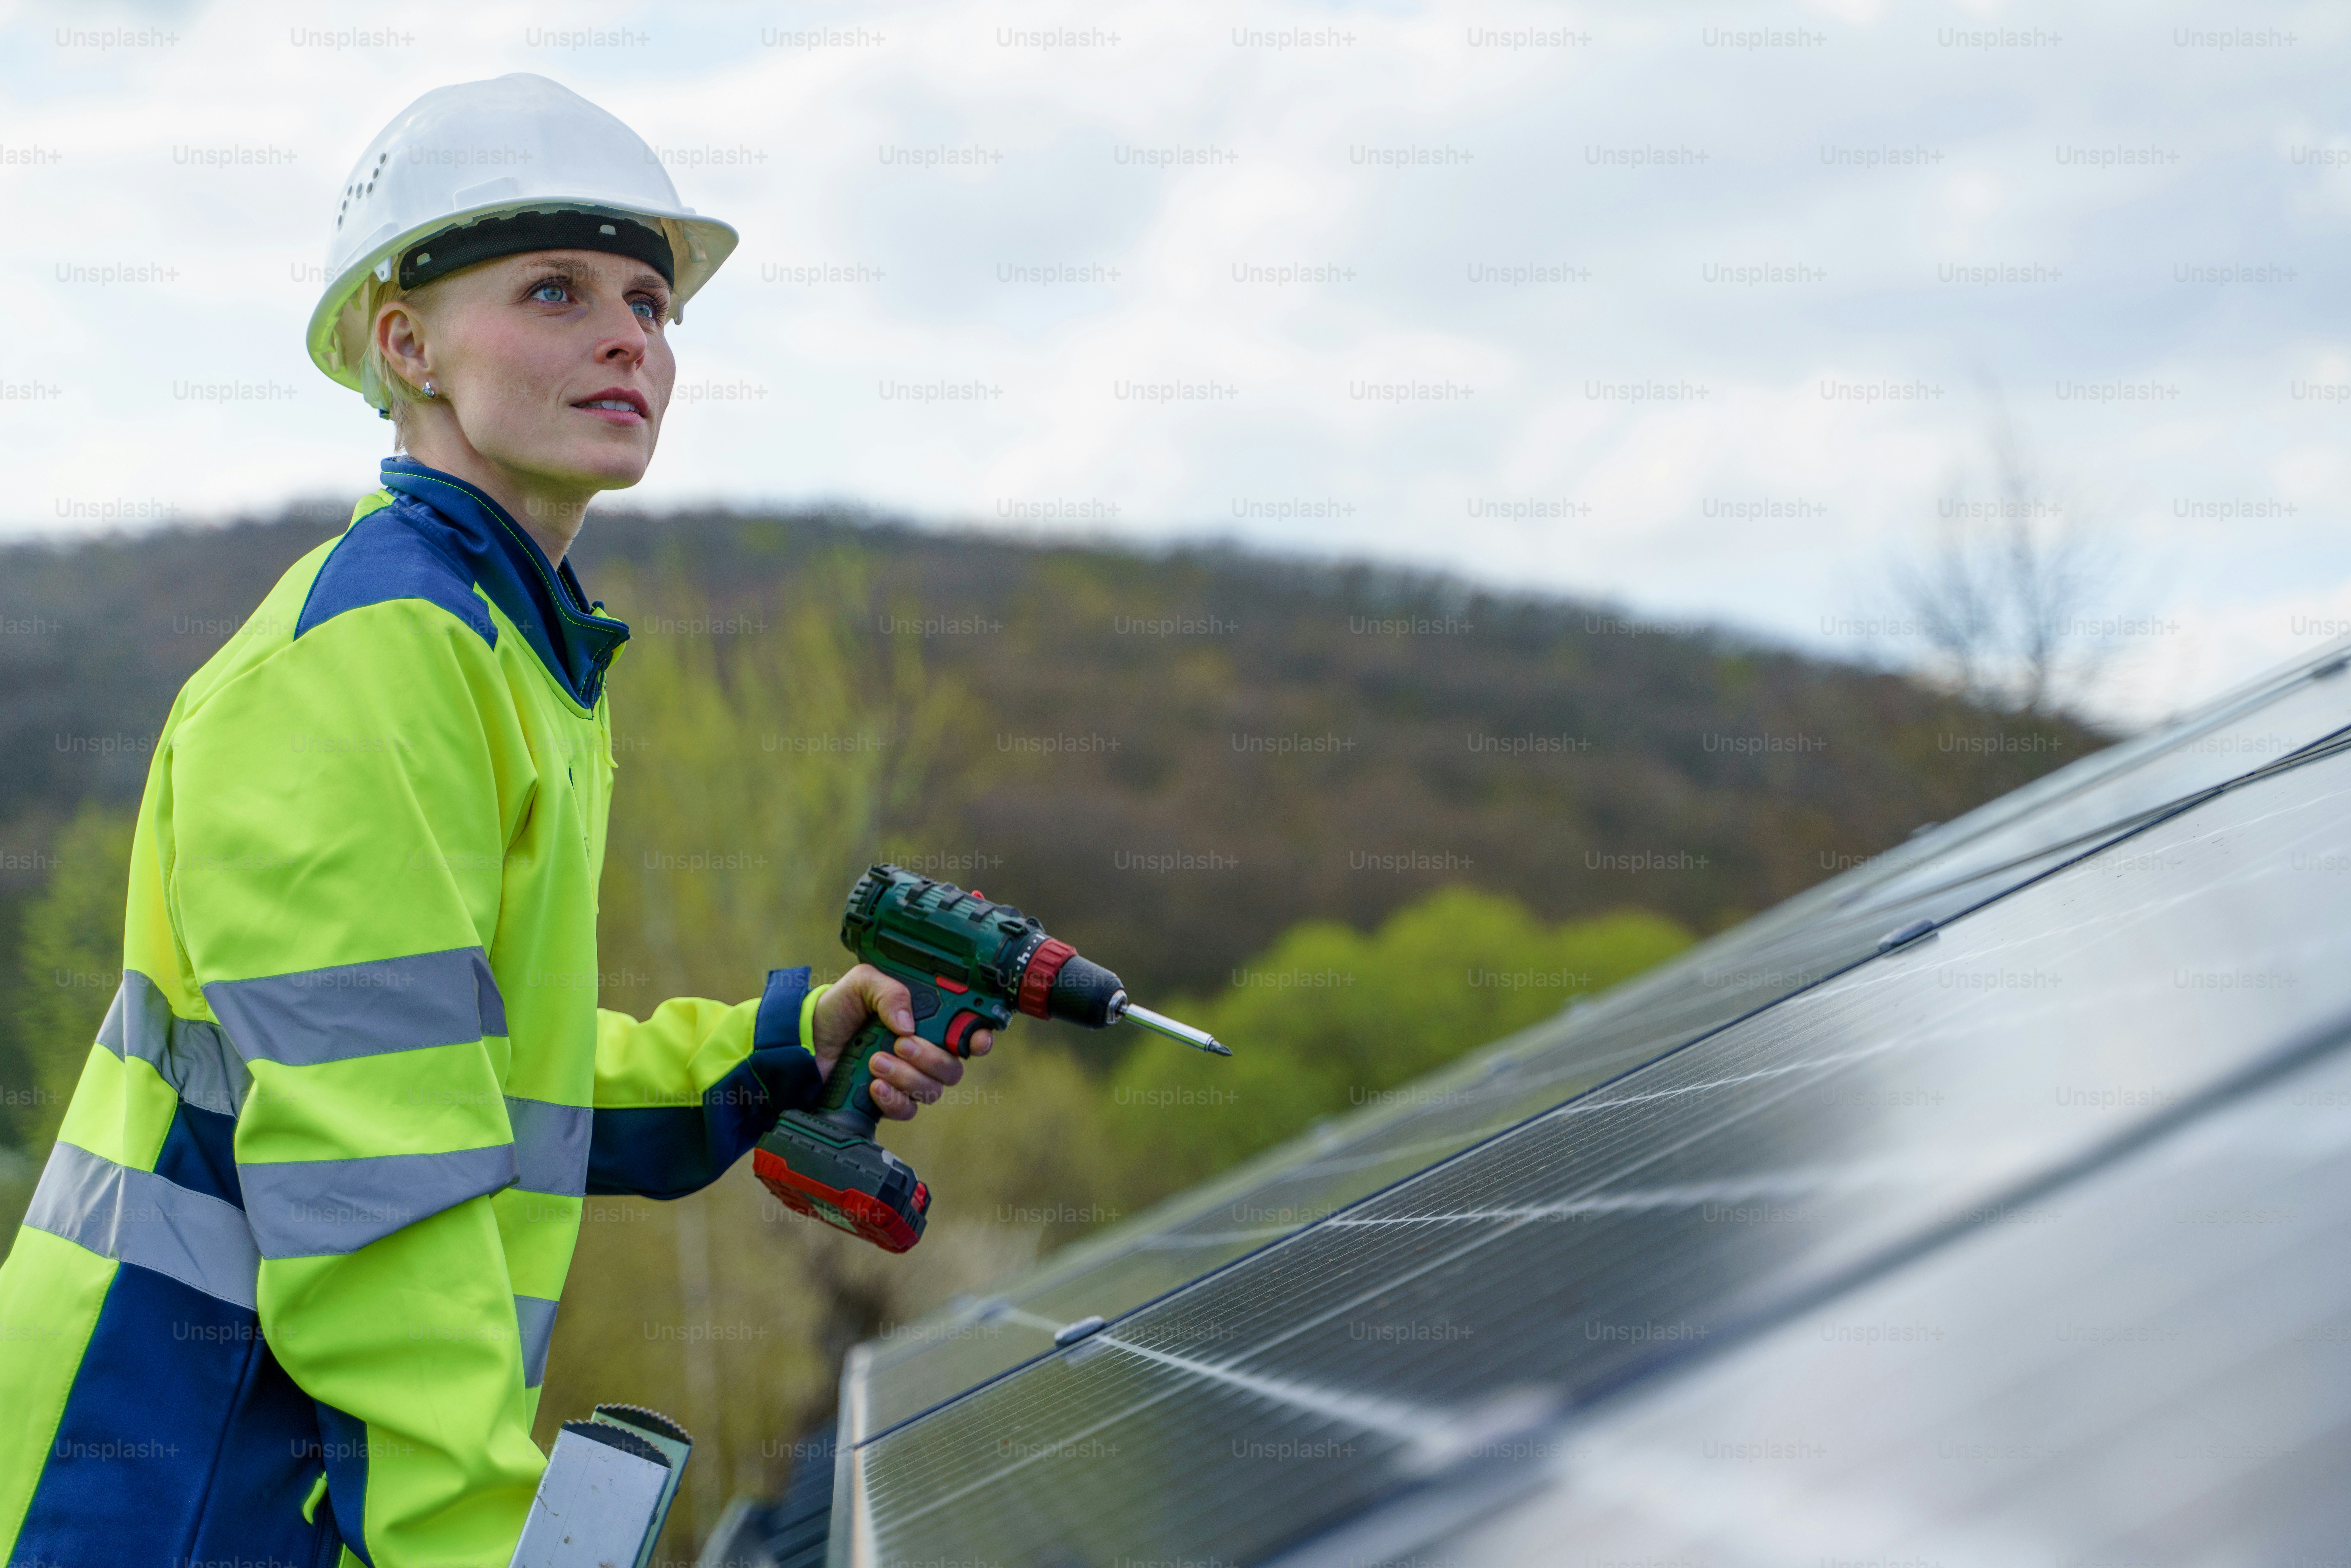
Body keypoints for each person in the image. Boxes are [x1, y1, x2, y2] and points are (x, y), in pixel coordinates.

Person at [0, 73, 986, 1566]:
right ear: (405, 344)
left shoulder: (509, 646)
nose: (627, 337)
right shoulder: (377, 659)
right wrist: (483, 1546)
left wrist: (772, 1050)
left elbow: (473, 1072)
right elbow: (376, 1182)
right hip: (166, 1479)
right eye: (552, 290)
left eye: (651, 305)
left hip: (282, 1467)